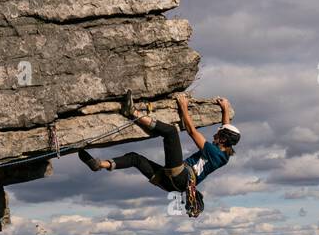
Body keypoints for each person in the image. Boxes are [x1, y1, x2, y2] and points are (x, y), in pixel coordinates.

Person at [78, 92, 239, 216]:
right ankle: (100, 165)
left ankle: (132, 112)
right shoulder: (223, 156)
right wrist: (225, 108)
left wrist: (183, 106)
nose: (214, 136)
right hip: (172, 186)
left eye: (218, 135)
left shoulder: (212, 151)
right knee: (136, 159)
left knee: (170, 132)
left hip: (182, 176)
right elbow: (226, 127)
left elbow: (191, 130)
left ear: (223, 140)